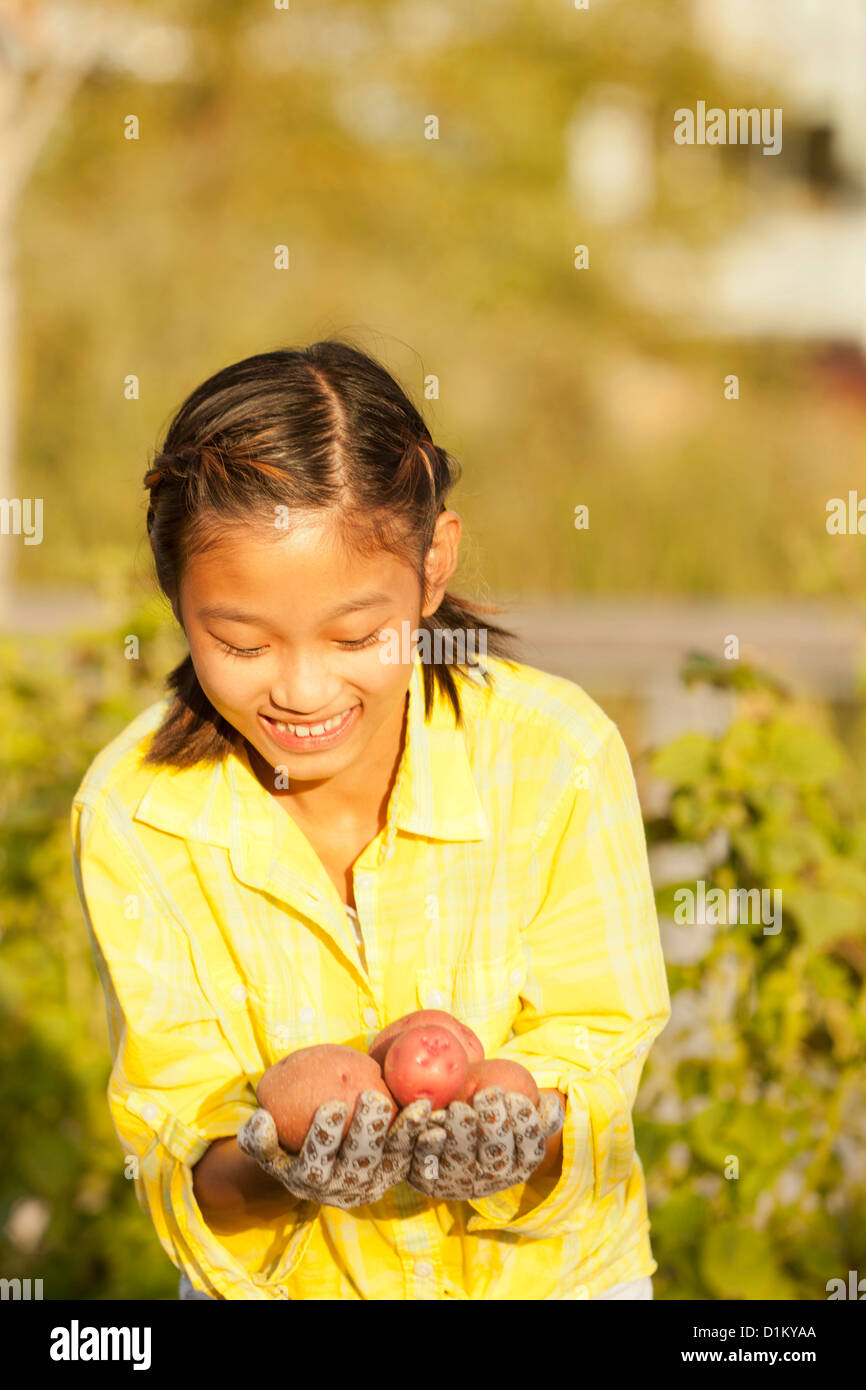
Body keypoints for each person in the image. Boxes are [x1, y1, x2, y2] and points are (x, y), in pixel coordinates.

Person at [70, 339, 671, 1301]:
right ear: (175, 595)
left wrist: (525, 1134)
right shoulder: (139, 813)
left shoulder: (553, 755)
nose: (303, 689)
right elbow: (182, 1157)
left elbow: (597, 1077)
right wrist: (283, 1167)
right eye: (240, 640)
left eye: (356, 636)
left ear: (434, 567)